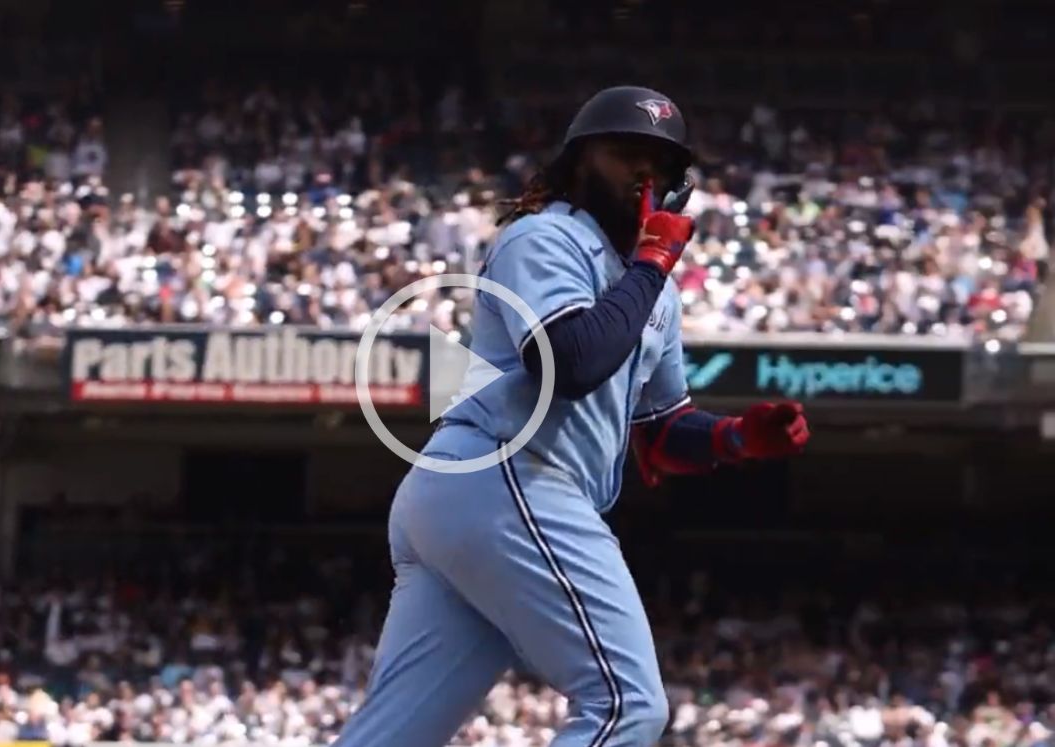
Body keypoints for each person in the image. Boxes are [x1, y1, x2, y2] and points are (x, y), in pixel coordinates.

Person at [334, 86, 811, 747]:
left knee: (394, 735)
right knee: (628, 705)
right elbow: (569, 363)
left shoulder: (653, 290)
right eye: (625, 152)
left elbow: (660, 433)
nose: (645, 171)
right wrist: (652, 263)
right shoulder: (546, 236)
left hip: (480, 498)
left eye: (661, 162)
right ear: (582, 160)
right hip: (509, 475)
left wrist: (736, 437)